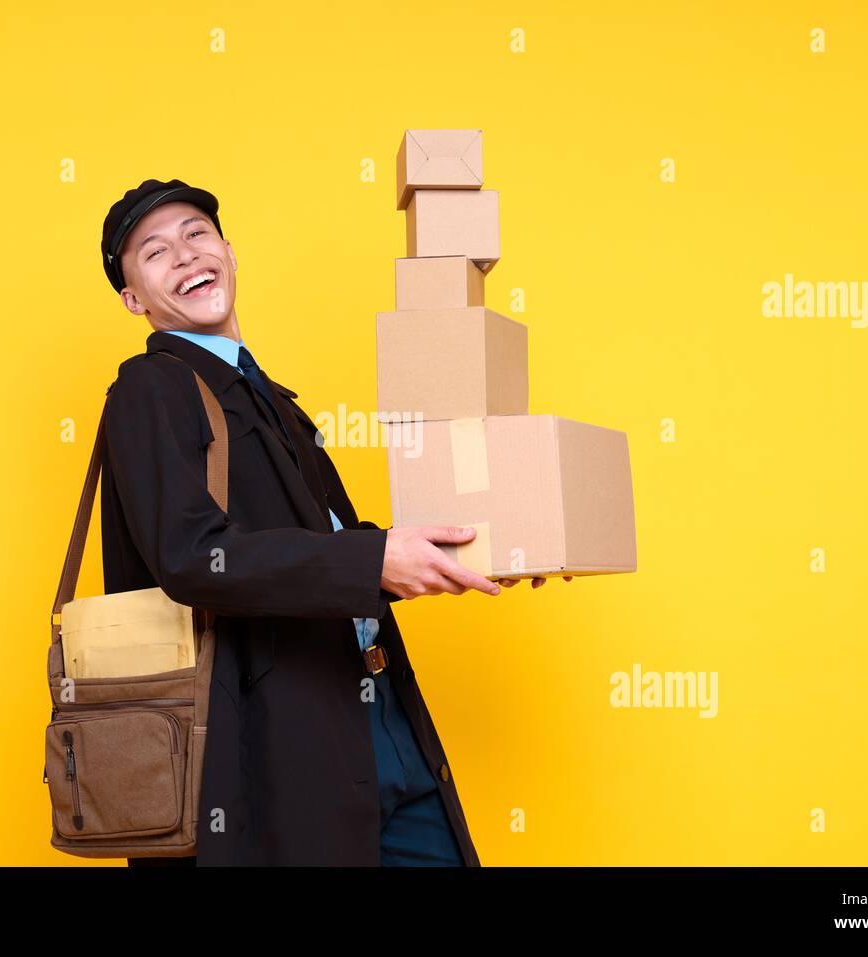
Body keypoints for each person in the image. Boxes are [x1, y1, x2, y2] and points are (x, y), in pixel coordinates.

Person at [97, 178, 568, 866]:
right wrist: (371, 562)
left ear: (229, 251)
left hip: (377, 717)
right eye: (154, 251)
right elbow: (191, 556)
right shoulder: (149, 390)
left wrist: (492, 540)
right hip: (277, 750)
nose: (184, 255)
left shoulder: (278, 405)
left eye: (196, 233)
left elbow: (342, 548)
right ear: (134, 298)